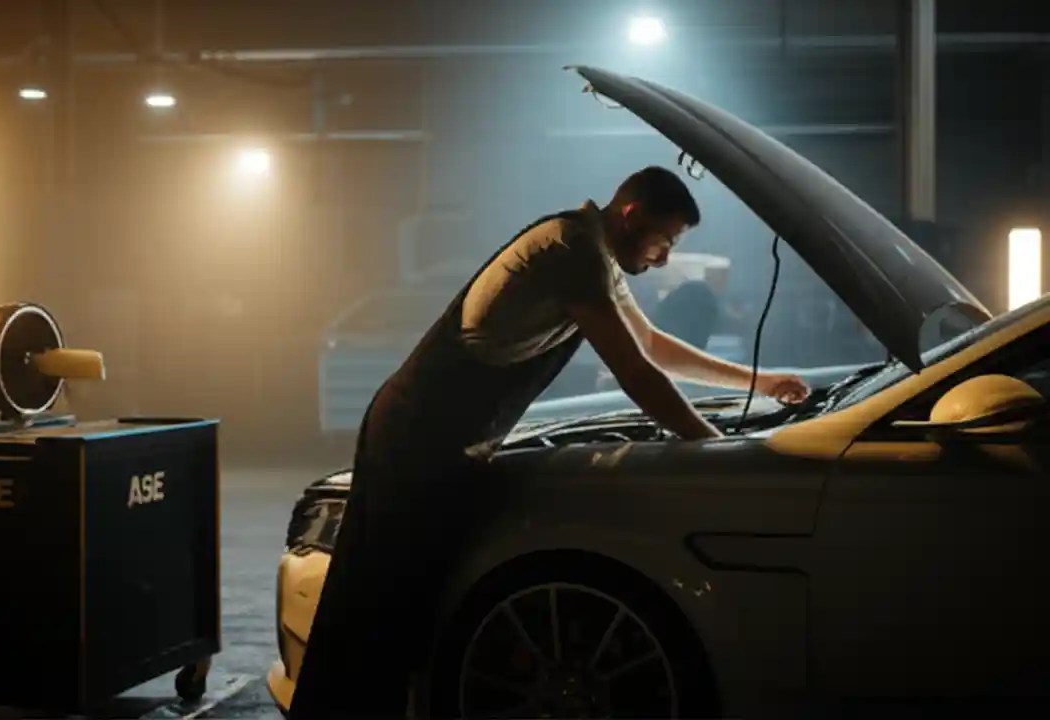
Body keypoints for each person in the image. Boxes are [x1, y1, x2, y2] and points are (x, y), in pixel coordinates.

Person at [288, 166, 811, 719]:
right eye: (666, 240)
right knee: (376, 611)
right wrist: (712, 450)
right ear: (632, 217)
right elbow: (635, 371)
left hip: (441, 439)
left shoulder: (595, 255)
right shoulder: (571, 251)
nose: (663, 258)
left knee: (400, 610)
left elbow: (653, 346)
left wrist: (759, 382)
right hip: (416, 438)